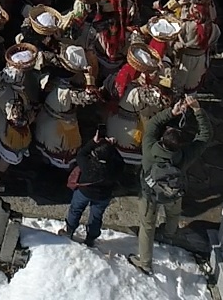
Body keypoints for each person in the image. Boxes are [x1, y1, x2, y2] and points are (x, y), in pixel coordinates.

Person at [134, 94, 214, 273]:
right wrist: (197, 110)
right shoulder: (184, 156)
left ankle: (145, 263)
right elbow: (206, 135)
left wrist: (172, 112)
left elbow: (153, 124)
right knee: (173, 213)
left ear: (162, 139)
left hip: (149, 193)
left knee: (147, 227)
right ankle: (170, 234)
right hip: (173, 190)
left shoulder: (149, 149)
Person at [65, 129, 125, 246]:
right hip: (103, 196)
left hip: (83, 192)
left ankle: (69, 230)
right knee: (96, 217)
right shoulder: (114, 169)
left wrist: (93, 141)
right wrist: (111, 147)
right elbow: (121, 162)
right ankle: (90, 238)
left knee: (75, 210)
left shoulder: (87, 165)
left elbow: (81, 153)